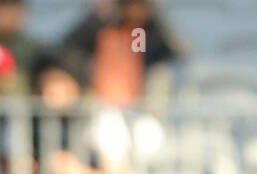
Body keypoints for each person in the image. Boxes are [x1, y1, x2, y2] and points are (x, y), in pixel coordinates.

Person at [56, 0, 184, 108]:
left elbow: (177, 51)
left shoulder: (147, 34)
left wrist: (155, 17)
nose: (135, 10)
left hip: (140, 104)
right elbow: (70, 47)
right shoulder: (102, 28)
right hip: (102, 103)